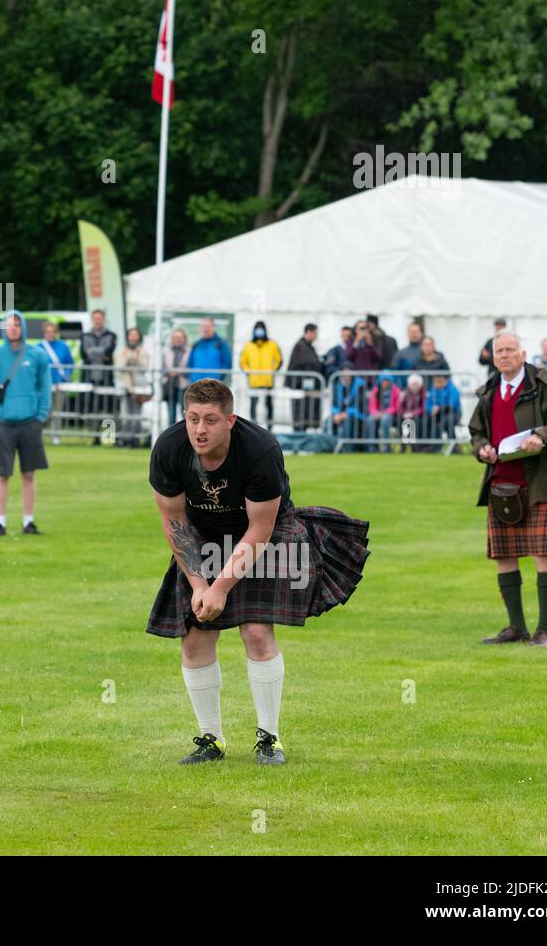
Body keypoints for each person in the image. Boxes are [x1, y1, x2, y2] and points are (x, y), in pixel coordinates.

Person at [147, 378, 370, 766]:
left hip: (263, 533)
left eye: (210, 420)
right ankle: (211, 740)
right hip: (202, 535)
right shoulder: (169, 448)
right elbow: (175, 521)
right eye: (193, 419)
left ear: (230, 420)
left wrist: (220, 588)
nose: (200, 430)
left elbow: (259, 529)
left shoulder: (260, 450)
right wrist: (200, 585)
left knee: (255, 629)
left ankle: (270, 739)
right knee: (195, 634)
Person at [469, 333, 547, 647]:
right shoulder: (489, 391)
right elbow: (476, 432)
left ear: (523, 353)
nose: (504, 355)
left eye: (510, 350)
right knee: (504, 556)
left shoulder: (543, 385)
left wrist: (542, 436)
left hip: (539, 483)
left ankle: (544, 631)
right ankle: (516, 627)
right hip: (501, 485)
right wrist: (482, 448)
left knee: (544, 554)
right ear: (493, 357)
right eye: (499, 351)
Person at [0, 310, 51, 536]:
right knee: (2, 474)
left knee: (29, 473)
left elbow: (45, 386)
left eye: (17, 325)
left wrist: (41, 416)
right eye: (9, 325)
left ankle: (28, 520)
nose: (13, 328)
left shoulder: (37, 355)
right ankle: (0, 522)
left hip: (30, 422)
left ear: (23, 328)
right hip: (2, 423)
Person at [38, 320, 76, 445]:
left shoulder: (63, 347)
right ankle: (38, 435)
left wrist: (65, 376)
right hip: (44, 385)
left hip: (59, 384)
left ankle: (55, 436)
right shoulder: (38, 347)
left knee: (57, 411)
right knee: (43, 411)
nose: (50, 334)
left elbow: (70, 364)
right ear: (44, 333)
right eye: (48, 332)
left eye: (53, 332)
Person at [238, 321, 281, 427]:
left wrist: (272, 370)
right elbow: (243, 362)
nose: (259, 331)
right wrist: (248, 372)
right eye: (258, 328)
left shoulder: (272, 344)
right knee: (253, 405)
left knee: (269, 404)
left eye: (261, 328)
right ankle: (253, 426)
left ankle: (269, 427)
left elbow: (279, 360)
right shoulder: (248, 346)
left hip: (268, 381)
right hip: (254, 381)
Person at [115, 327, 152, 448]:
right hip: (125, 386)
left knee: (137, 414)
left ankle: (135, 438)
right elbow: (120, 366)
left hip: (138, 387)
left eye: (135, 335)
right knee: (125, 413)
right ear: (127, 337)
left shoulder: (143, 351)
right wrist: (129, 357)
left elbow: (144, 367)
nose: (133, 337)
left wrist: (134, 358)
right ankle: (126, 438)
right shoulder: (122, 351)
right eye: (131, 335)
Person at [80, 309, 118, 427]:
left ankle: (108, 433)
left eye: (100, 318)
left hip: (106, 377)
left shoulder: (111, 335)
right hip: (89, 376)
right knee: (90, 405)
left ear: (104, 320)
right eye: (95, 318)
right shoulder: (85, 335)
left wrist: (92, 351)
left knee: (107, 406)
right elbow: (84, 354)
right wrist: (101, 352)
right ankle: (93, 431)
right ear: (92, 320)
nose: (97, 321)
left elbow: (109, 352)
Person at [285, 323, 324, 431]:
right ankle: (299, 433)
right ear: (309, 332)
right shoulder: (301, 346)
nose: (316, 336)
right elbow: (308, 363)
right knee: (300, 412)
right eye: (315, 333)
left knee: (306, 412)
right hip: (299, 386)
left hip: (305, 387)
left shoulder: (308, 346)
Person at [186, 317, 231, 384]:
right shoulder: (196, 345)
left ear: (213, 327)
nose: (205, 329)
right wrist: (192, 377)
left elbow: (227, 363)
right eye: (203, 326)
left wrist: (218, 378)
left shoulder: (221, 344)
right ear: (200, 329)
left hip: (214, 385)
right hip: (196, 384)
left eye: (208, 326)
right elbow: (189, 364)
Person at [163, 327, 190, 429]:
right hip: (169, 384)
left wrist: (178, 372)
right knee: (171, 412)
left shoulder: (189, 351)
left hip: (184, 384)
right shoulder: (166, 351)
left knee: (184, 411)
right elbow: (163, 366)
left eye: (180, 337)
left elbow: (190, 367)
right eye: (175, 337)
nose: (177, 340)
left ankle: (185, 432)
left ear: (184, 339)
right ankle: (172, 431)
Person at [366, 371, 401, 451]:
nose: (385, 382)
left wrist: (384, 413)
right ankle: (371, 446)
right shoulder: (376, 390)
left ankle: (386, 446)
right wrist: (376, 413)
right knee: (370, 419)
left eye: (387, 380)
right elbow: (372, 406)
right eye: (383, 380)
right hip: (378, 414)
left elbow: (396, 407)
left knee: (385, 419)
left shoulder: (395, 390)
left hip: (392, 415)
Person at [425, 374, 461, 444]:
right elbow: (428, 404)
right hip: (437, 414)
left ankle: (453, 445)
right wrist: (431, 409)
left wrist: (439, 408)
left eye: (439, 381)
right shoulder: (432, 389)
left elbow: (452, 405)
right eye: (435, 381)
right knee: (426, 421)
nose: (437, 383)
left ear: (445, 380)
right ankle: (428, 445)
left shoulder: (452, 389)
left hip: (452, 413)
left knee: (446, 422)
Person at [398, 373, 427, 450]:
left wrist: (412, 414)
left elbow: (423, 407)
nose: (414, 386)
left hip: (418, 416)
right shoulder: (405, 394)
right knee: (402, 421)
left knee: (415, 422)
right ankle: (404, 445)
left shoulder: (423, 394)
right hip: (405, 416)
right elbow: (400, 406)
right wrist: (404, 413)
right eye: (413, 384)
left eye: (416, 384)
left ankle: (415, 445)